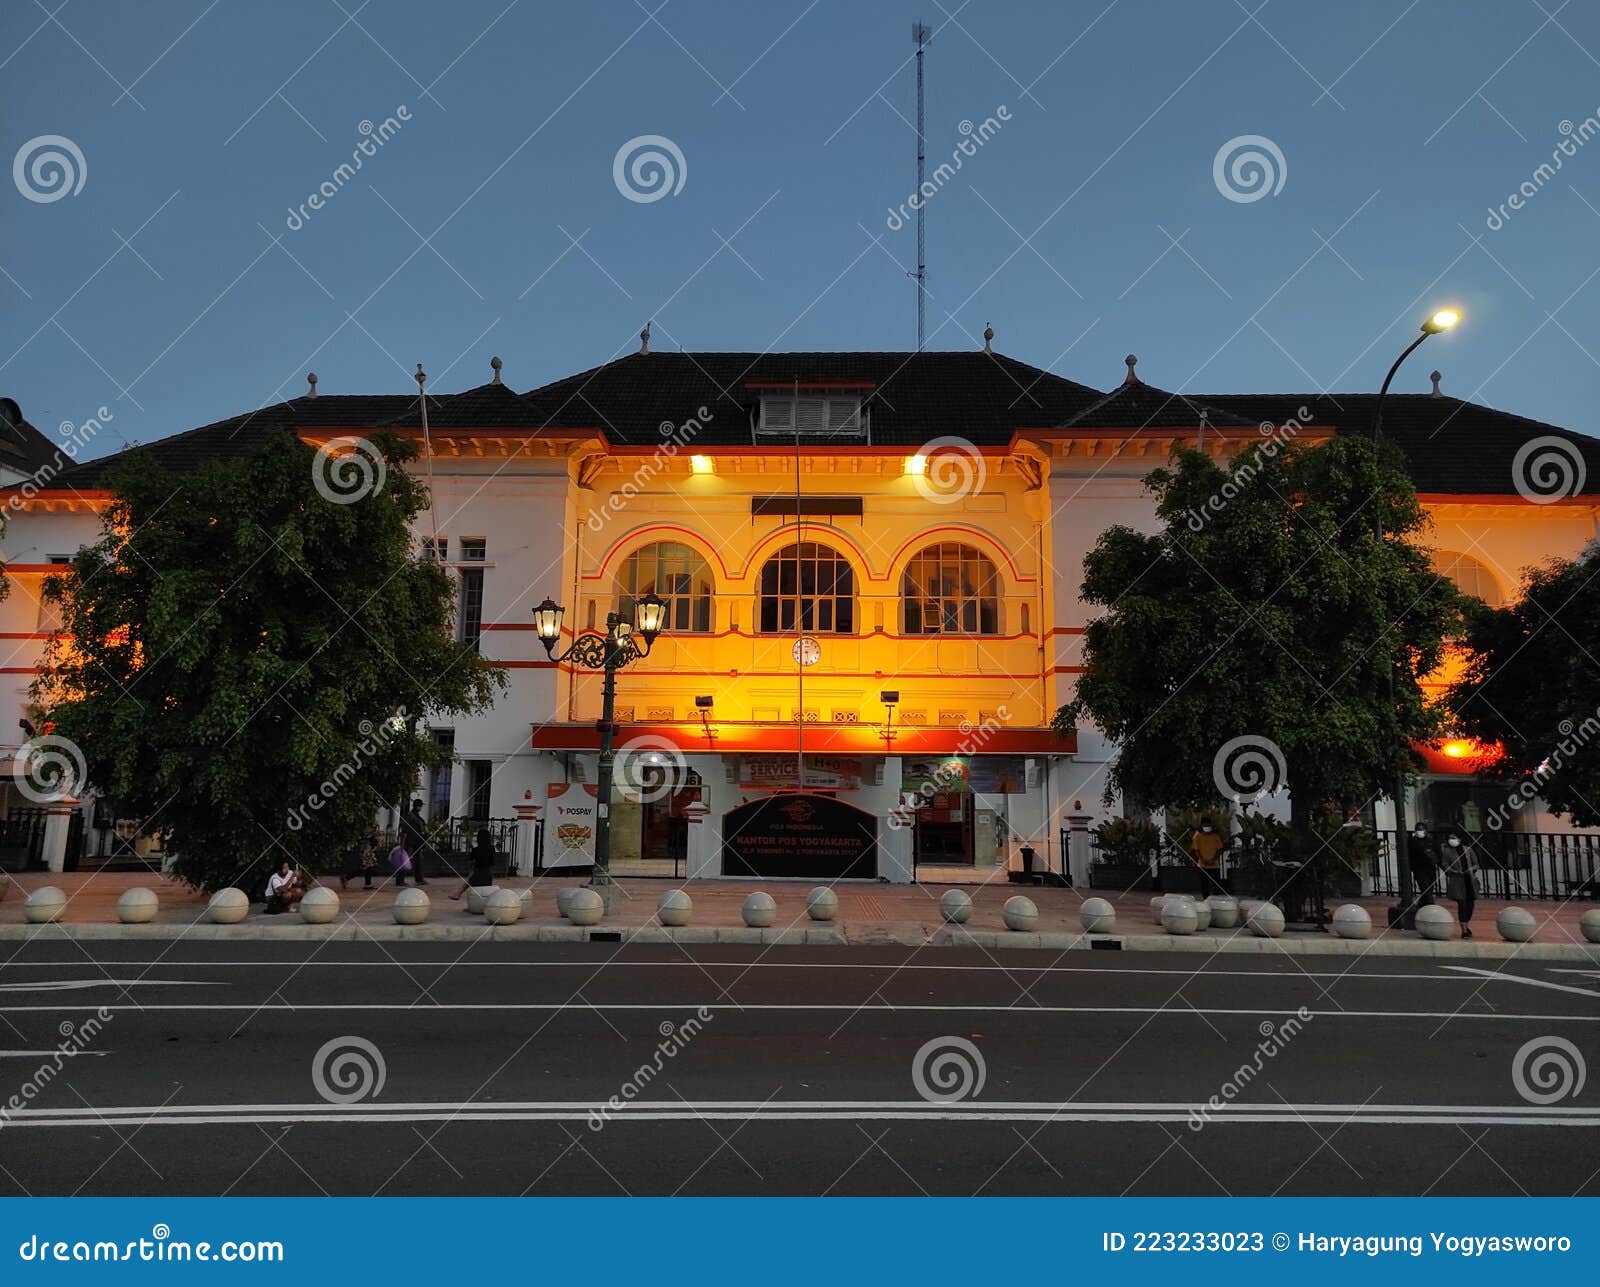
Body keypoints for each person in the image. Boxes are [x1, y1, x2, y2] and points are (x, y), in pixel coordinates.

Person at [1441, 832, 1479, 938]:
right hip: (1457, 881)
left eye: (1454, 837)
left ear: (1459, 839)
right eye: (1450, 838)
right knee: (1462, 905)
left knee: (1470, 905)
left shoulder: (1468, 849)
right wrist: (1454, 871)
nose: (1451, 840)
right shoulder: (1447, 851)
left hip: (1469, 881)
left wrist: (1471, 869)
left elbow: (1476, 864)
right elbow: (1445, 865)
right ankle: (1464, 929)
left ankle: (1466, 924)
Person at [451, 827, 497, 900]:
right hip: (488, 873)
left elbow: (470, 860)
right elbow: (493, 862)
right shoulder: (492, 848)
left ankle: (458, 894)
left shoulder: (476, 850)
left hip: (477, 872)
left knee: (468, 882)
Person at [340, 826, 383, 892]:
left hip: (369, 852)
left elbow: (377, 843)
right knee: (364, 868)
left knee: (368, 868)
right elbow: (374, 842)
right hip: (367, 852)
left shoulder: (372, 835)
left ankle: (367, 884)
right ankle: (346, 878)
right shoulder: (370, 835)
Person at [1189, 822, 1226, 896]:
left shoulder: (1216, 836)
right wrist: (1202, 860)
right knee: (1204, 883)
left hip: (1215, 864)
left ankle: (1216, 898)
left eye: (1208, 825)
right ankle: (1205, 898)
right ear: (1202, 827)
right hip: (1202, 864)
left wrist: (1213, 859)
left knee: (1216, 882)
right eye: (1205, 826)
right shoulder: (1198, 837)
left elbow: (1220, 849)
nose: (1207, 827)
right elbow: (1196, 850)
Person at [400, 799, 428, 886]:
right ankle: (400, 880)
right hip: (410, 842)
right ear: (417, 806)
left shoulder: (416, 816)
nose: (421, 808)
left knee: (419, 860)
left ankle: (419, 879)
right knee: (406, 860)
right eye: (420, 806)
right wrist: (402, 843)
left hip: (417, 842)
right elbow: (404, 829)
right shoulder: (410, 815)